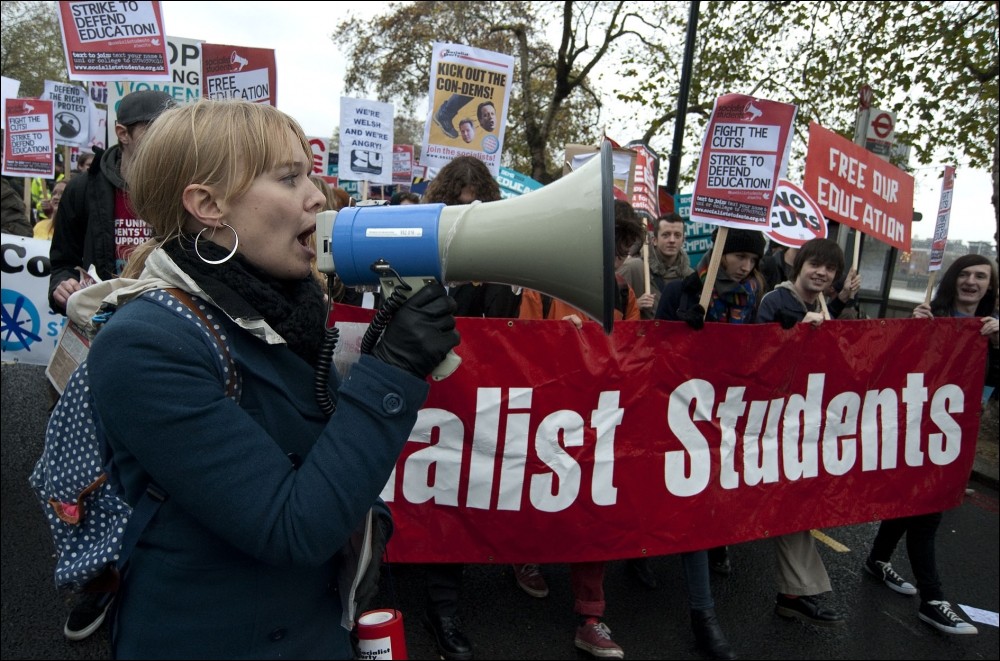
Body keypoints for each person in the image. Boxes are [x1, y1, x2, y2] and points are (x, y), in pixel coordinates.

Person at [84, 99, 459, 658]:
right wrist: (393, 372)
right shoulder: (145, 344)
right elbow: (291, 527)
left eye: (310, 173)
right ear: (207, 204)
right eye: (290, 178)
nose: (318, 195)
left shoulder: (282, 312)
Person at [511, 204, 646, 661]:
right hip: (547, 415)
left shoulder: (622, 292)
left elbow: (632, 352)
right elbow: (519, 350)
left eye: (623, 254)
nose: (617, 263)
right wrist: (554, 338)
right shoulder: (541, 286)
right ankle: (523, 552)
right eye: (613, 251)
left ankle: (591, 614)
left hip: (598, 417)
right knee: (536, 488)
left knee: (593, 506)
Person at [863, 253, 998, 636]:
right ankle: (933, 600)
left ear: (990, 286)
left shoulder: (989, 329)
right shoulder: (929, 316)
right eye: (966, 274)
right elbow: (892, 364)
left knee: (912, 504)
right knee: (927, 508)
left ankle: (877, 559)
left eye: (981, 276)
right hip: (917, 429)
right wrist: (911, 331)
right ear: (954, 279)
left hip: (955, 435)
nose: (972, 282)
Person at [419, 155, 518, 661]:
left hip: (464, 402)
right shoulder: (416, 254)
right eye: (459, 209)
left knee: (448, 491)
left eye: (478, 211)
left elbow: (505, 339)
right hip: (416, 395)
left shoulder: (498, 272)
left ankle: (443, 606)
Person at [654, 227, 769, 660]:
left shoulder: (753, 296)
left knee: (701, 506)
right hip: (676, 409)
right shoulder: (679, 290)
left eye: (751, 260)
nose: (745, 266)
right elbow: (650, 346)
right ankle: (698, 609)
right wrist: (682, 325)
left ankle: (703, 615)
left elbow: (759, 351)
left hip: (725, 412)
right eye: (738, 255)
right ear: (720, 254)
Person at [756, 238, 847, 627]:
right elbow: (756, 352)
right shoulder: (775, 302)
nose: (822, 273)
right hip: (765, 422)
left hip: (802, 425)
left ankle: (794, 594)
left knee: (794, 507)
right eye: (816, 264)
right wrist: (793, 330)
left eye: (830, 269)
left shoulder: (826, 308)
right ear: (799, 264)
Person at [47, 90, 177, 316]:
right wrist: (63, 285)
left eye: (173, 130)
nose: (167, 138)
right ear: (123, 133)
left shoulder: (182, 188)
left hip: (164, 317)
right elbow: (64, 262)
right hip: (101, 317)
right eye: (156, 129)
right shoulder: (82, 189)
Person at [618, 211, 693, 319]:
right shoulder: (633, 268)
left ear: (683, 240)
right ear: (654, 240)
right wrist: (635, 305)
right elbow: (609, 310)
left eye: (677, 235)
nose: (672, 240)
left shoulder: (689, 277)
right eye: (666, 235)